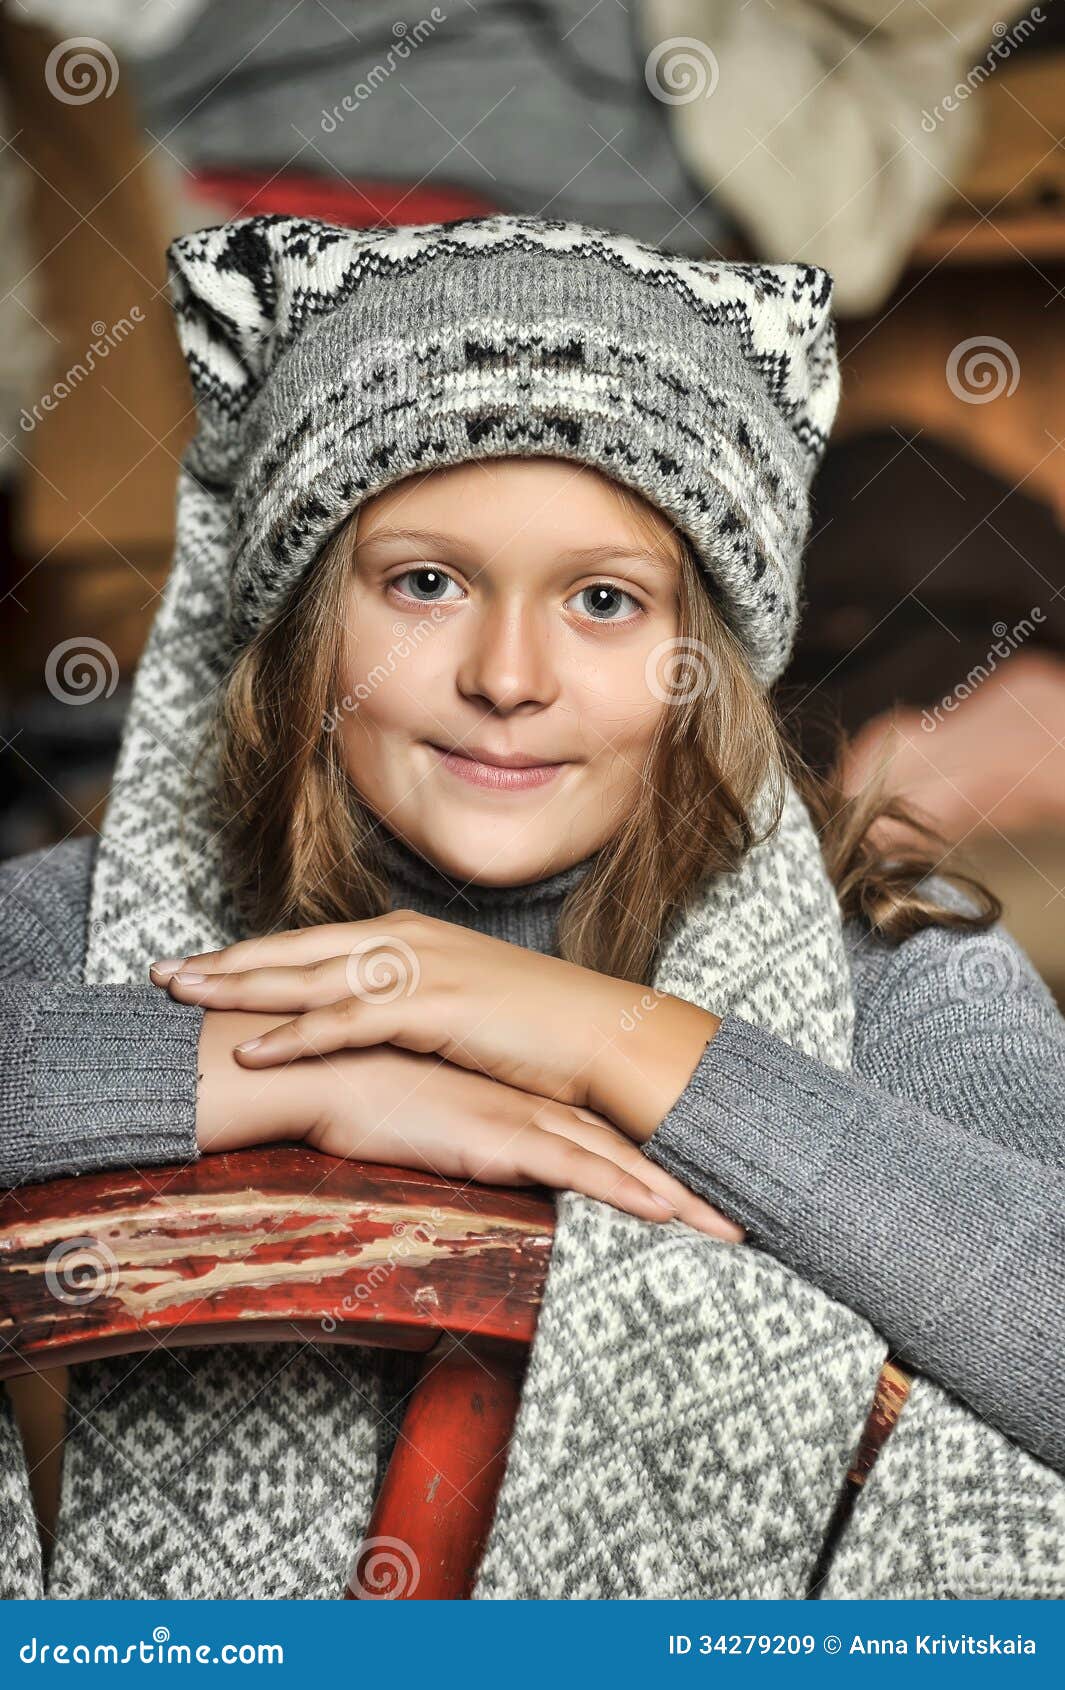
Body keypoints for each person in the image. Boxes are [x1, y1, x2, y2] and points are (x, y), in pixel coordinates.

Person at [1, 214, 1062, 1602]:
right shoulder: (101, 918)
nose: (510, 674)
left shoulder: (900, 953)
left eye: (605, 600)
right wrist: (287, 1067)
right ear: (311, 621)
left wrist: (611, 1036)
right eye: (426, 583)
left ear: (707, 656)